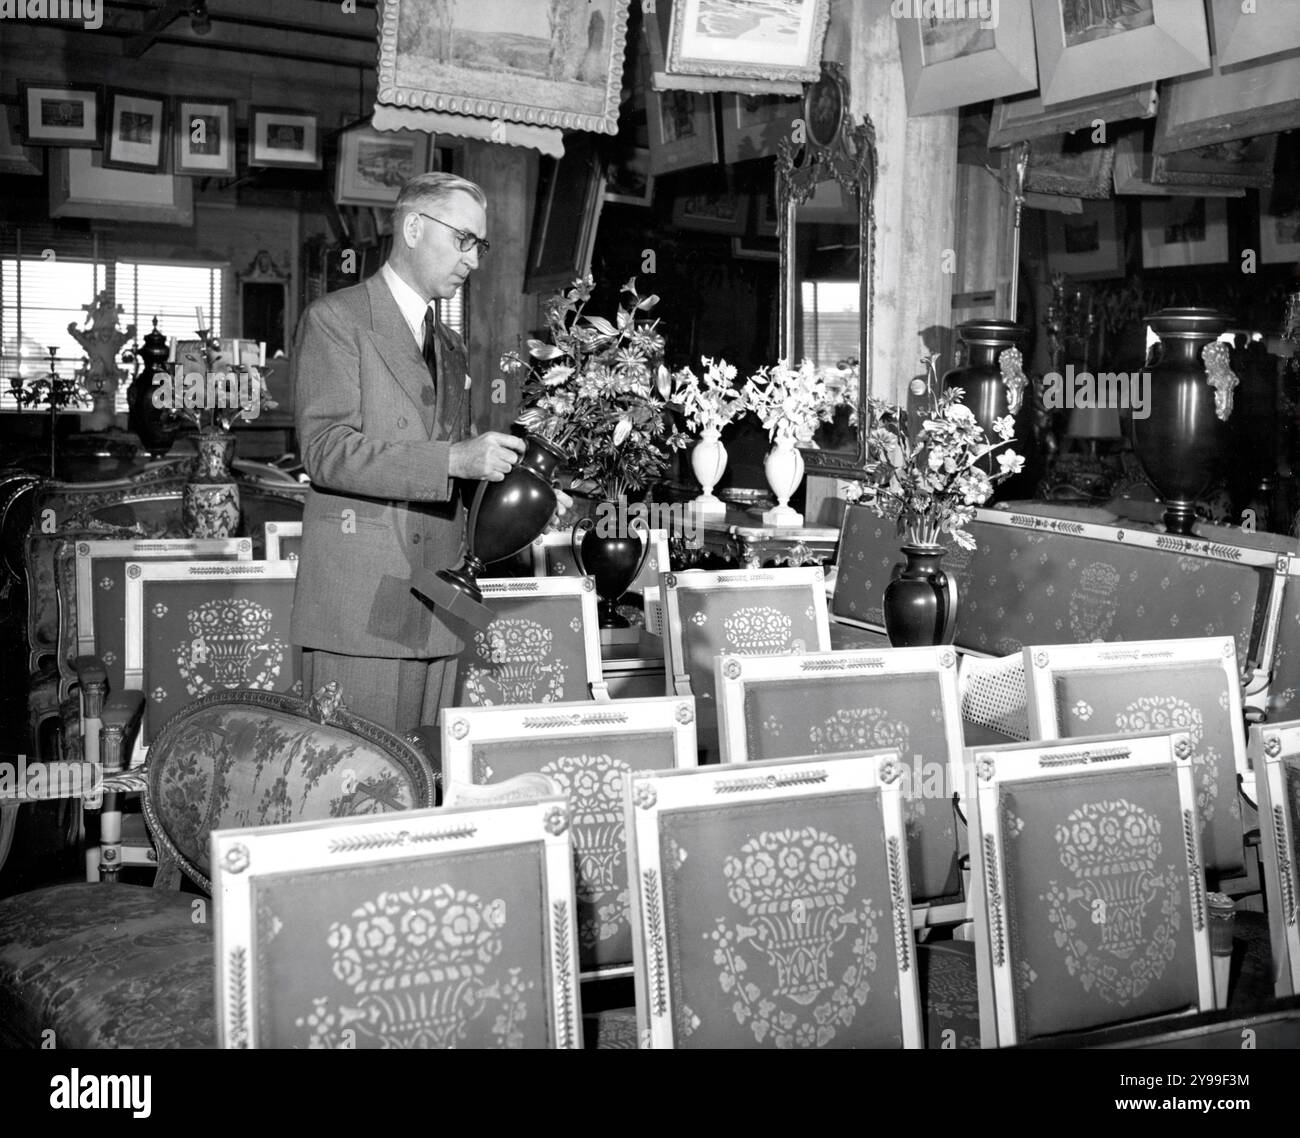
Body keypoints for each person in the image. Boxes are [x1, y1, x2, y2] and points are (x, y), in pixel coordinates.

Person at [290, 171, 526, 738]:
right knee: (356, 791)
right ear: (415, 227)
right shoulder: (337, 320)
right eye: (464, 239)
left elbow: (457, 465)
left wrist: (522, 495)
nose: (473, 259)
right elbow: (326, 451)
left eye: (480, 245)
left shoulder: (449, 344)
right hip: (362, 606)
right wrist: (452, 461)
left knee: (426, 790)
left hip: (438, 601)